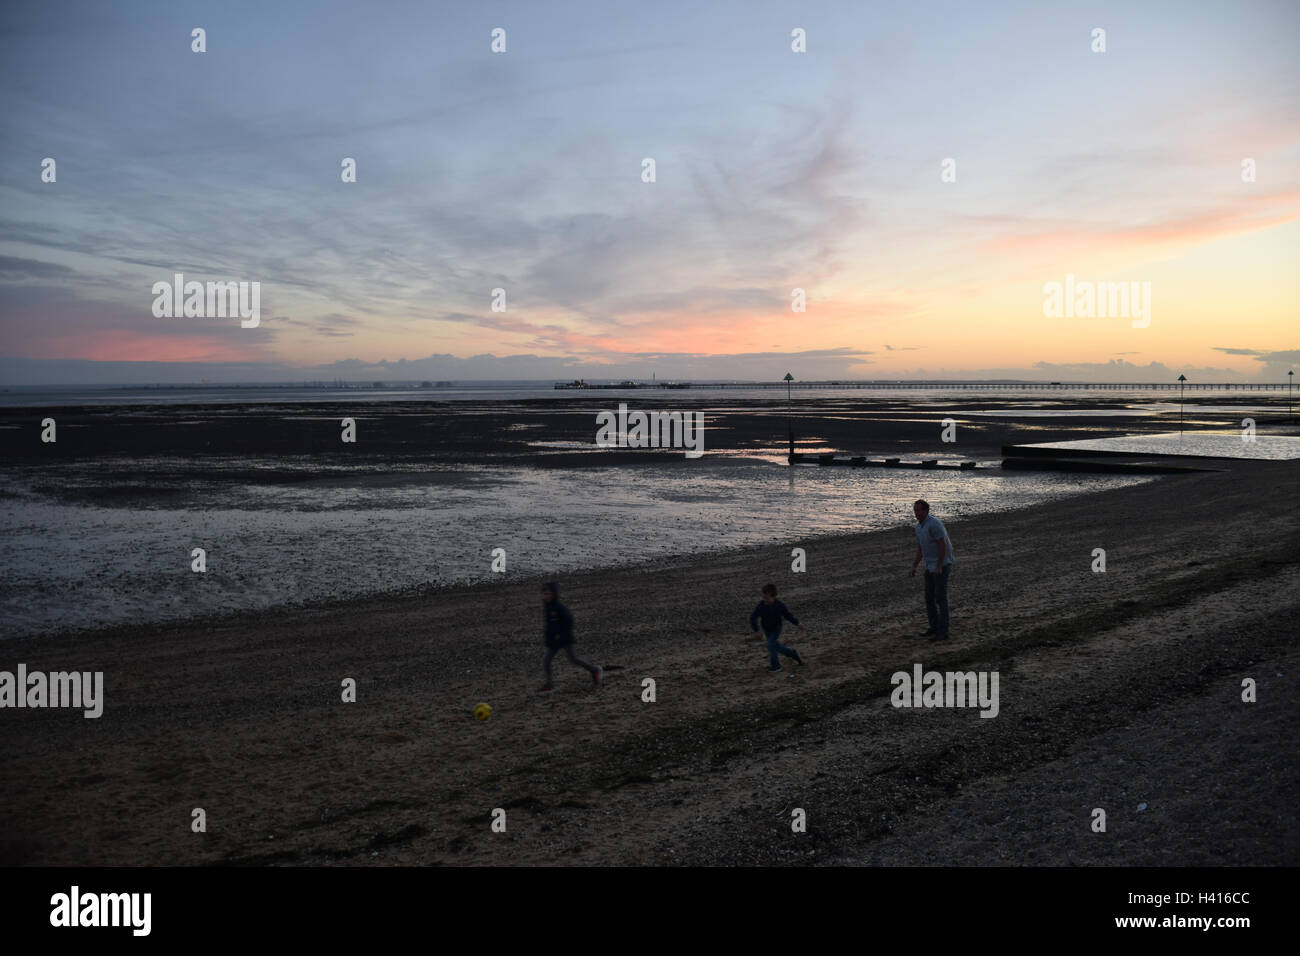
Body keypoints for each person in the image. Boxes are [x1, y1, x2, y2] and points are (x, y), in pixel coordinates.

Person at [539, 582, 602, 693]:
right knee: (546, 660)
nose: (547, 596)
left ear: (554, 594)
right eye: (545, 594)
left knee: (574, 659)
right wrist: (548, 637)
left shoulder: (558, 607)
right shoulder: (547, 606)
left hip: (565, 638)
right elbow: (549, 624)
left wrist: (561, 633)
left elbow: (569, 620)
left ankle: (595, 670)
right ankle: (549, 683)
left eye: (549, 594)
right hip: (554, 640)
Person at [908, 499, 954, 641]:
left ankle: (943, 631)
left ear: (926, 511)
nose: (917, 513)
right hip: (929, 566)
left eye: (919, 510)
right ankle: (934, 627)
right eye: (915, 510)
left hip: (943, 564)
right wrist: (915, 566)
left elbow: (942, 545)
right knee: (929, 597)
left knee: (940, 597)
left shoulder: (934, 524)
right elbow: (921, 548)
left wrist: (940, 566)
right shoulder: (918, 527)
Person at [748, 583, 805, 672]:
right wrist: (756, 630)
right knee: (776, 647)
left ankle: (776, 666)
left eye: (767, 598)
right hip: (767, 630)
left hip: (776, 629)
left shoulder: (779, 605)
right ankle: (793, 654)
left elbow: (788, 615)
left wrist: (797, 623)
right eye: (764, 597)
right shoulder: (761, 605)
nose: (765, 600)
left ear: (773, 597)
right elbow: (753, 617)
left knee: (770, 645)